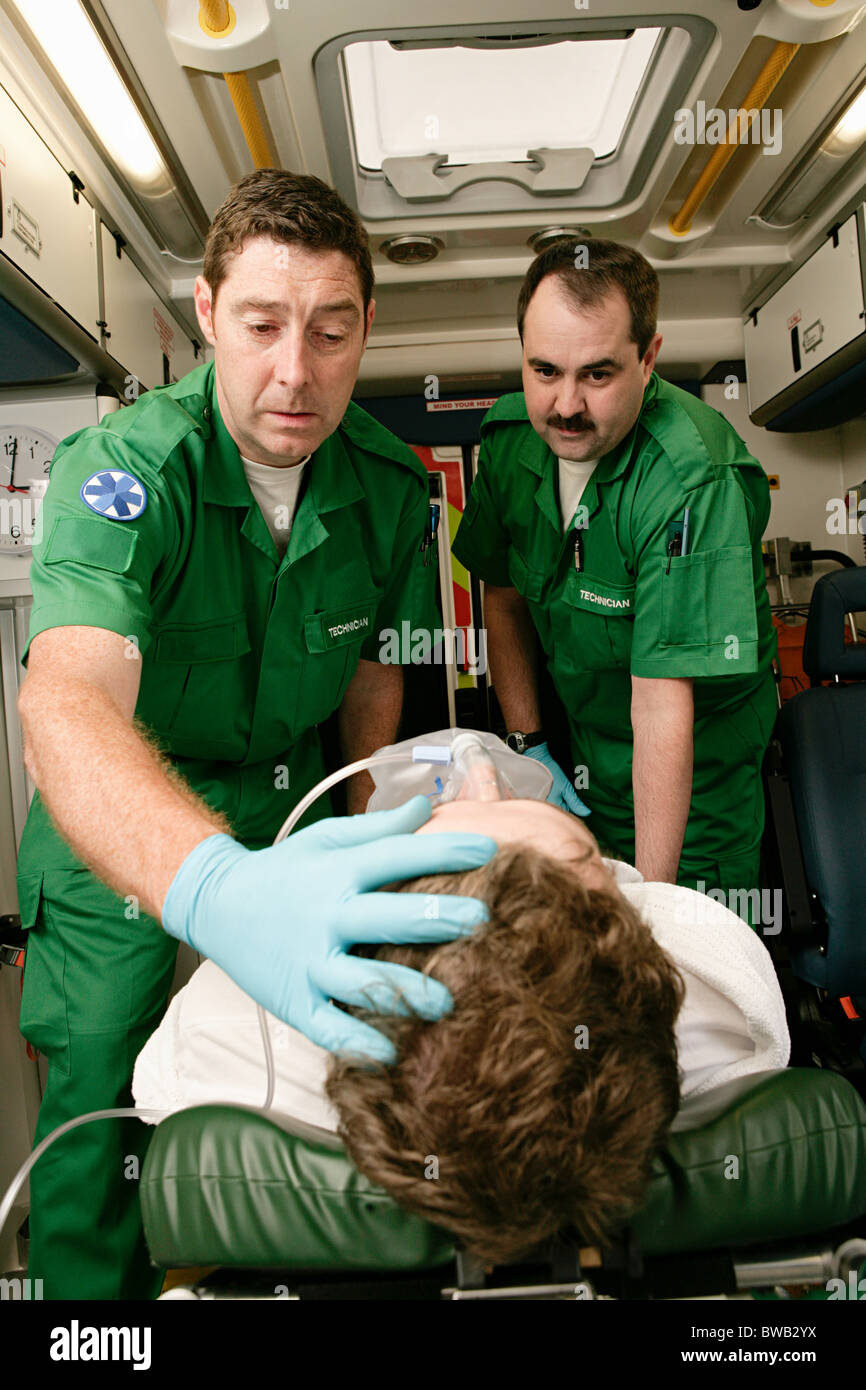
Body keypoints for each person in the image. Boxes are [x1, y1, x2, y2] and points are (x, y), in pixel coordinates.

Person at [14, 168, 493, 1300]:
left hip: (293, 800)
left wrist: (367, 814)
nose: (296, 370)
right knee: (97, 1093)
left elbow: (380, 663)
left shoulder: (388, 485)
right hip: (124, 809)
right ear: (205, 313)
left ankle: (259, 1276)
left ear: (366, 327)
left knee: (316, 1066)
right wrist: (213, 886)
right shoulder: (130, 469)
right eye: (263, 325)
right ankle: (93, 1320)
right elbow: (65, 702)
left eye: (330, 332)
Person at [133, 795, 790, 1265]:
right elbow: (644, 899)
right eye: (585, 854)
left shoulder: (230, 1018)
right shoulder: (724, 989)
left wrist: (209, 888)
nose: (479, 776)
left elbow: (161, 1088)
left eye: (439, 811)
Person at [451, 238, 777, 897]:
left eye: (597, 374)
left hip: (698, 788)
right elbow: (504, 594)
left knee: (676, 964)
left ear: (648, 359)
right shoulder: (511, 445)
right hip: (577, 764)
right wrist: (528, 744)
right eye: (544, 371)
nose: (566, 405)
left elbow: (661, 703)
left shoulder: (692, 479)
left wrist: (653, 901)